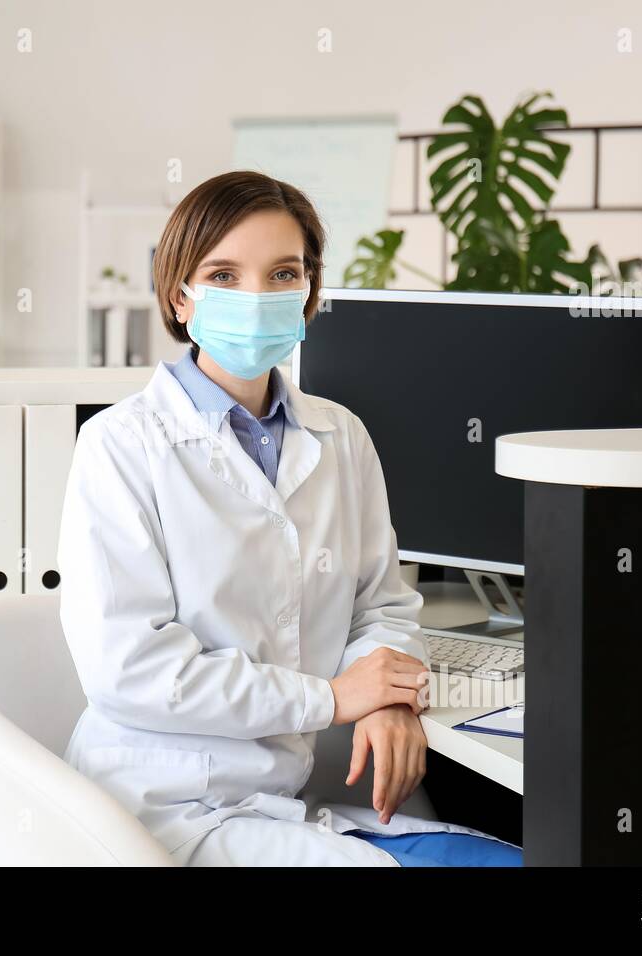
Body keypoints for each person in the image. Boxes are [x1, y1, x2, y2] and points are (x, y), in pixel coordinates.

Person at [57, 170, 520, 866]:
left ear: (308, 292)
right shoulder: (120, 446)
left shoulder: (340, 435)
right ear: (180, 295)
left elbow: (382, 608)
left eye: (282, 273)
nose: (258, 297)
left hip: (288, 795)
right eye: (224, 273)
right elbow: (132, 672)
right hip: (158, 808)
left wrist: (388, 695)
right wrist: (332, 699)